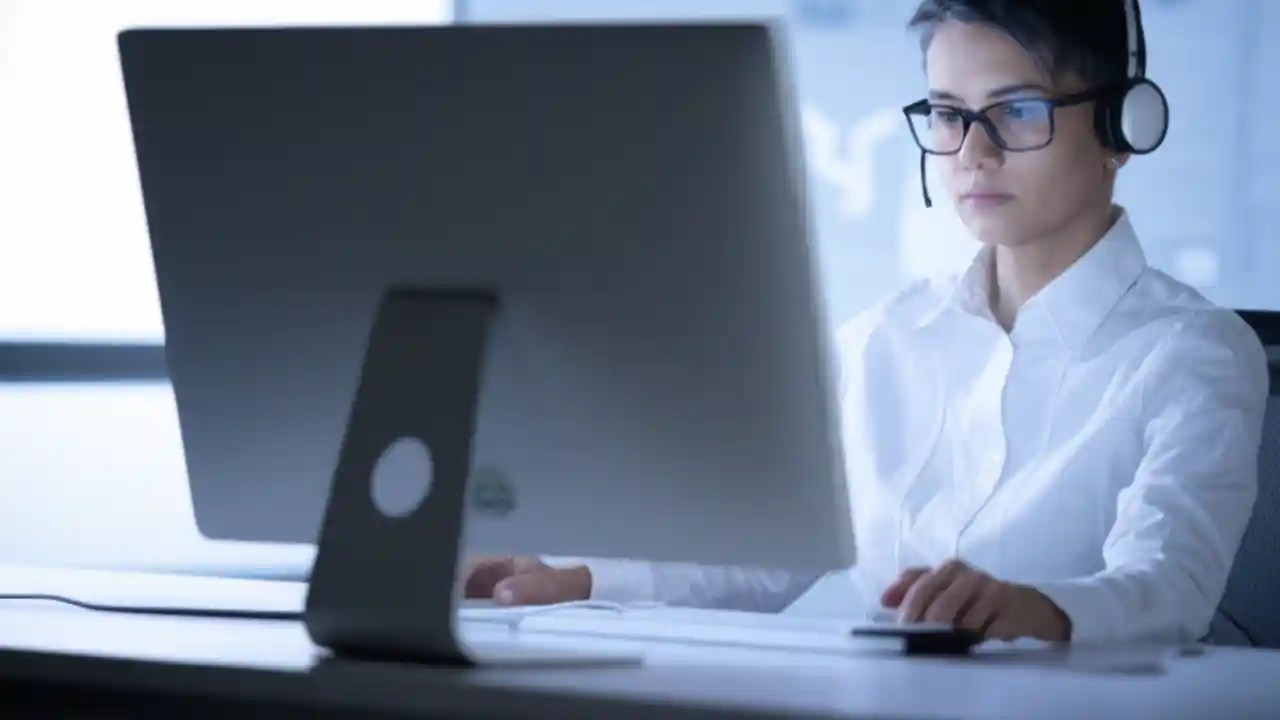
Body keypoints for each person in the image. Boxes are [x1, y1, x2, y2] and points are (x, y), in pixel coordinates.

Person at [464, 0, 1269, 644]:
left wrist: (1038, 610)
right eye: (950, 114)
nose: (971, 154)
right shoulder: (887, 338)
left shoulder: (1193, 354)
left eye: (1018, 111)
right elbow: (768, 555)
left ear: (1122, 130)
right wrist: (579, 577)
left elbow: (1170, 588)